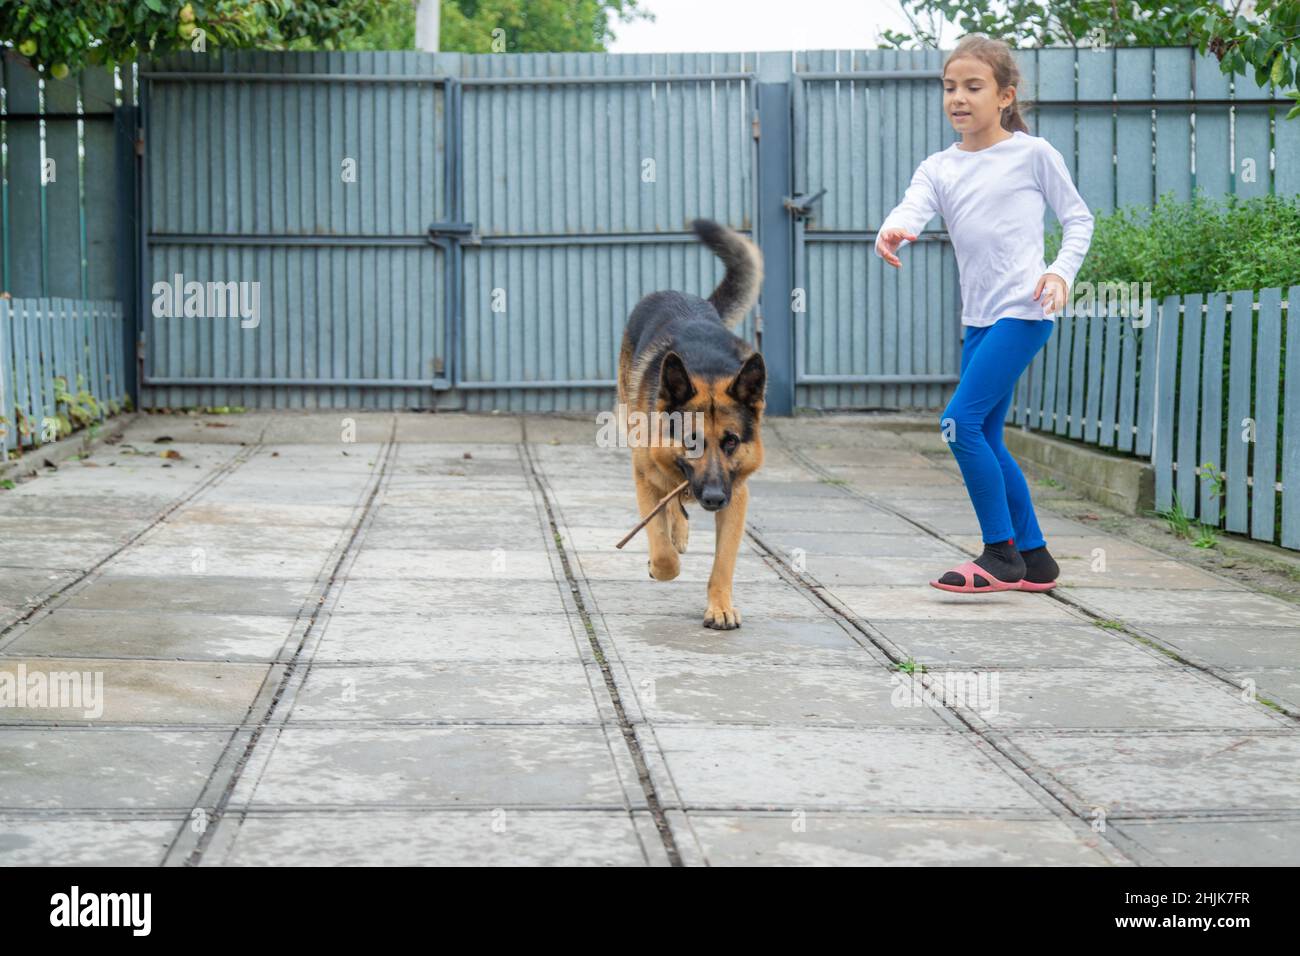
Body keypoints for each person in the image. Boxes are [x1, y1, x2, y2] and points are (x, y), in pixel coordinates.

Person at [875, 34, 1094, 593]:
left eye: (973, 86)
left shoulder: (1032, 153)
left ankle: (1000, 554)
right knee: (989, 439)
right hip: (978, 319)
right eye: (950, 87)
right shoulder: (938, 166)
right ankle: (1036, 559)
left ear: (1005, 96)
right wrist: (894, 230)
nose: (958, 97)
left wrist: (1060, 273)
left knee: (958, 423)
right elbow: (912, 206)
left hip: (1024, 310)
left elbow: (1079, 219)